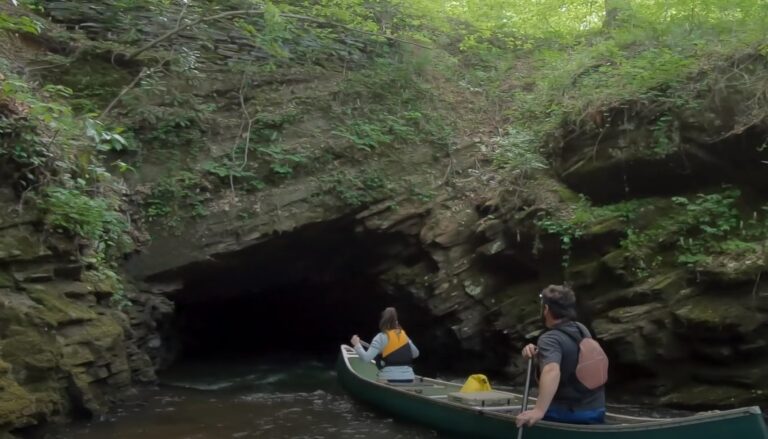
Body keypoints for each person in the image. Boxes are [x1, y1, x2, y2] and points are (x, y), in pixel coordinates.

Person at [516, 285, 606, 427]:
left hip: (569, 414)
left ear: (546, 310)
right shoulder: (581, 329)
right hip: (597, 411)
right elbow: (570, 357)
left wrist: (538, 411)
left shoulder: (549, 339)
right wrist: (538, 352)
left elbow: (551, 370)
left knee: (527, 413)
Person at [350, 307, 420, 383]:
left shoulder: (380, 337)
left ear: (383, 322)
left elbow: (366, 358)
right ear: (396, 322)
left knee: (379, 378)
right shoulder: (404, 336)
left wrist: (357, 345)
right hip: (409, 378)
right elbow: (416, 354)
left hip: (388, 379)